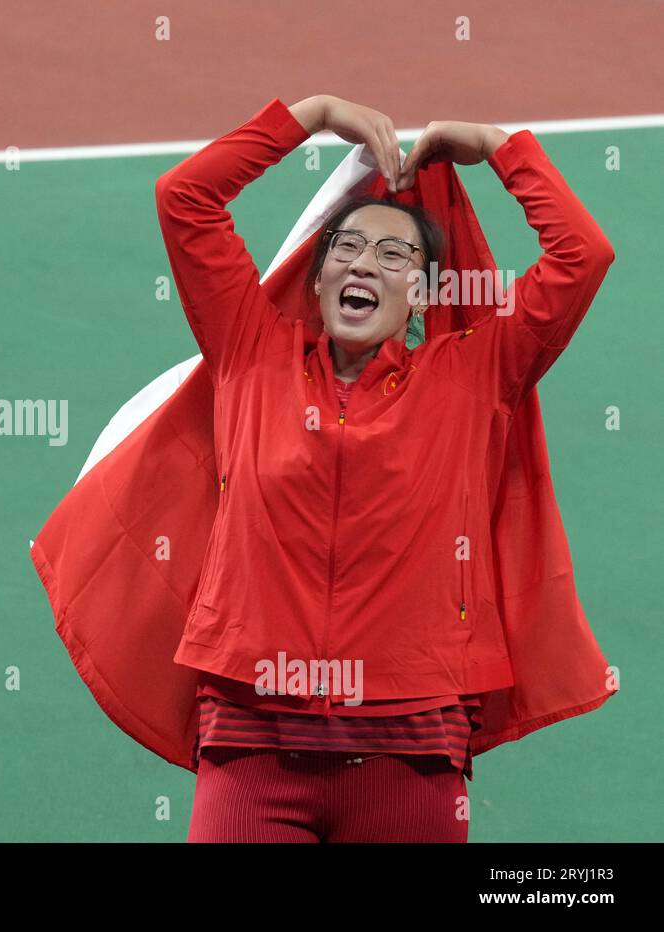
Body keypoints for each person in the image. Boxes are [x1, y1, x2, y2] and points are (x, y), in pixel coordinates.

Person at [156, 95, 615, 842]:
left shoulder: (474, 374)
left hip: (412, 745)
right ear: (316, 278)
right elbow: (185, 200)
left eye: (395, 254)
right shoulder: (249, 352)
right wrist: (308, 115)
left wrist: (500, 147)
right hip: (253, 739)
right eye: (346, 248)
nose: (365, 261)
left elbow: (582, 255)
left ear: (422, 295)